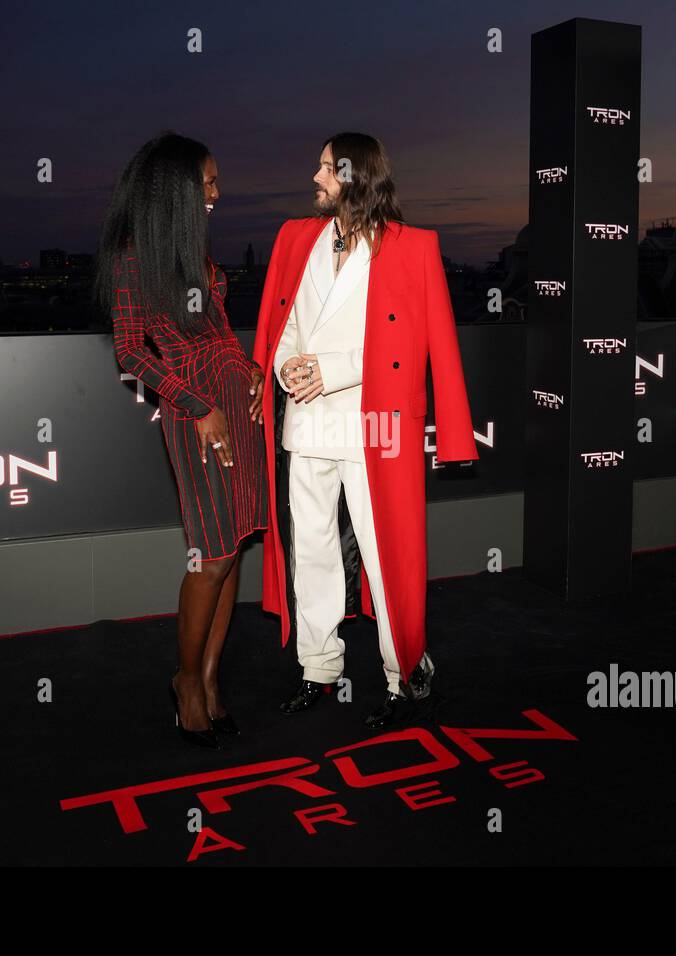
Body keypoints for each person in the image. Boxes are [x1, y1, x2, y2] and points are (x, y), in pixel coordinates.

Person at [251, 132, 479, 728]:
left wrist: (330, 371)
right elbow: (282, 319)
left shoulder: (412, 247)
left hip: (374, 422)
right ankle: (319, 668)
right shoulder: (295, 237)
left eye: (326, 168)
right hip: (306, 419)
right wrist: (285, 366)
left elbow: (418, 347)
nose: (315, 177)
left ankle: (404, 676)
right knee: (313, 551)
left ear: (354, 175)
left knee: (385, 555)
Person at [95, 132, 267, 750]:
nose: (218, 193)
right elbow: (128, 352)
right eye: (209, 182)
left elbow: (218, 330)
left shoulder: (189, 250)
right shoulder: (130, 257)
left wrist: (247, 370)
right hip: (196, 417)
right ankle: (186, 683)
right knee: (212, 555)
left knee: (234, 550)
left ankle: (213, 682)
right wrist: (196, 406)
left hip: (237, 409)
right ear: (177, 190)